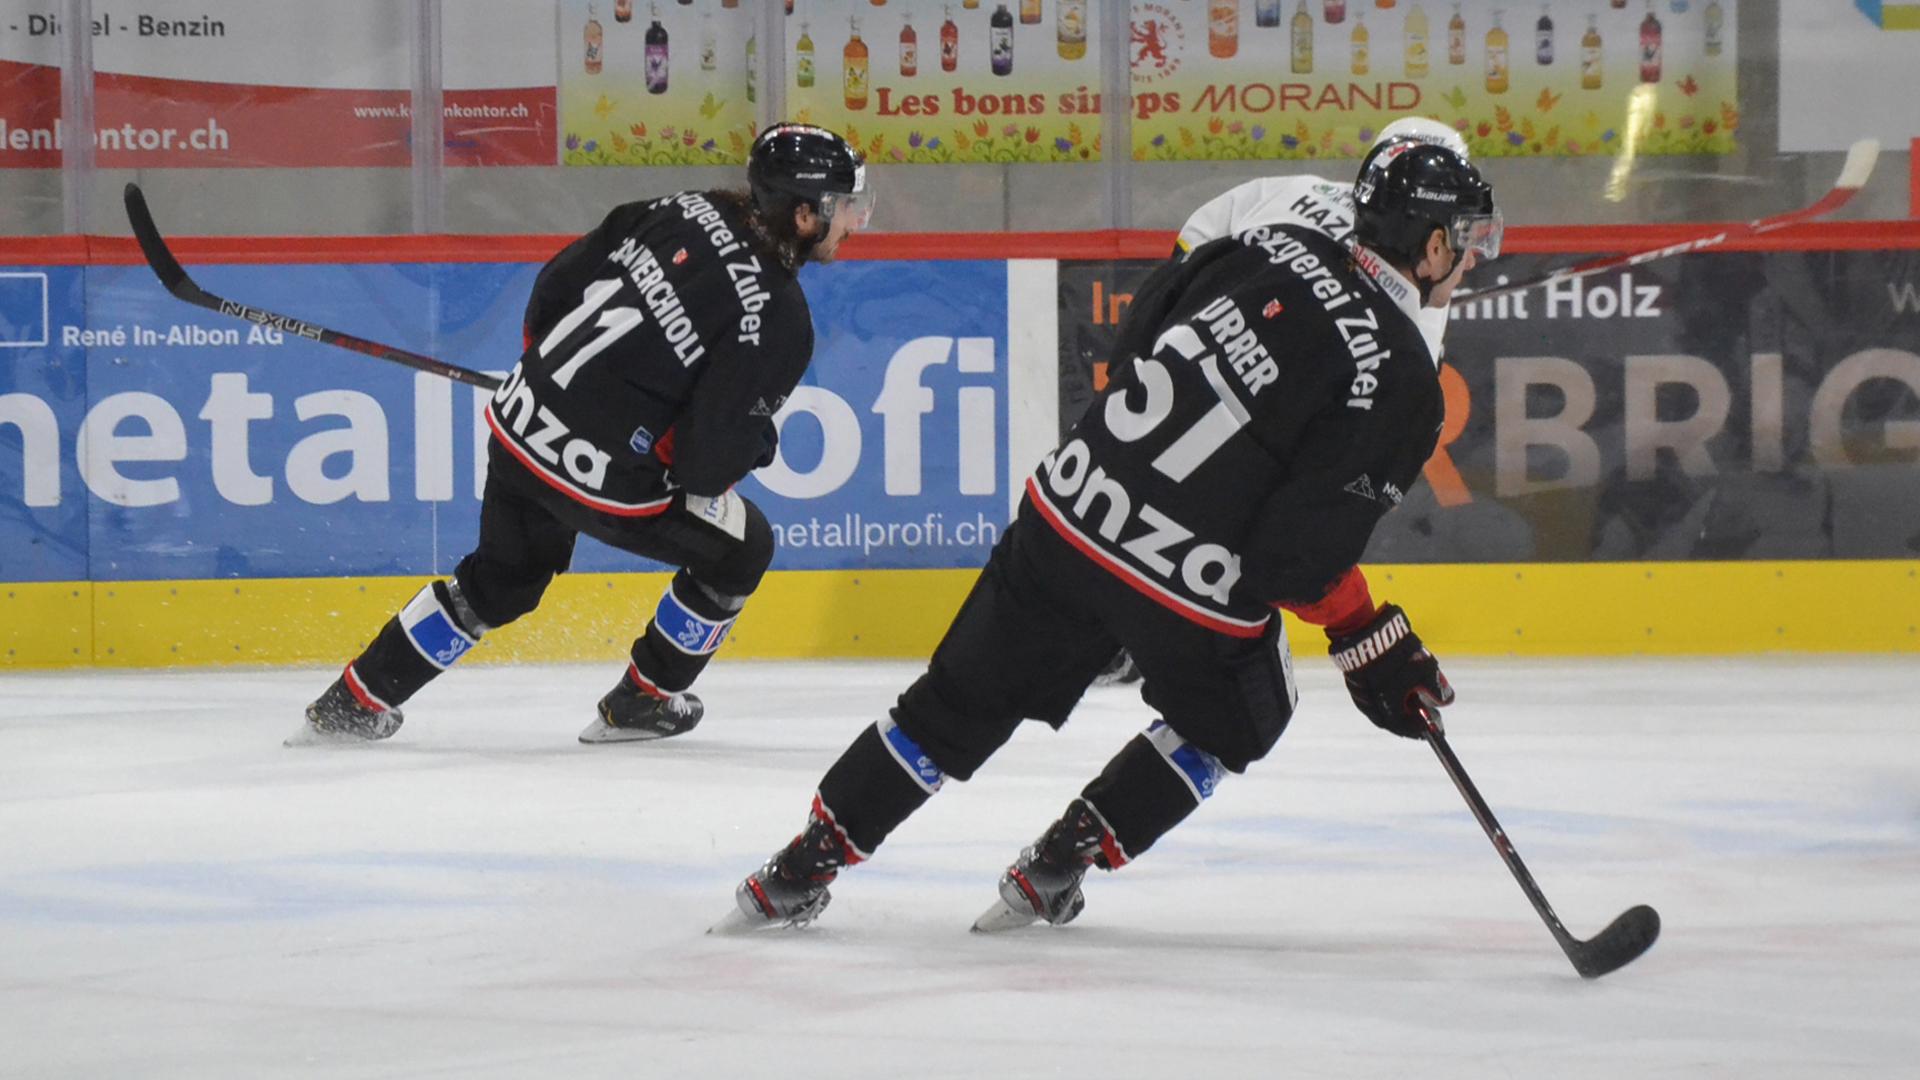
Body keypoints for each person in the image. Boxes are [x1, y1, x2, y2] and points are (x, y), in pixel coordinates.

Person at [718, 141, 1501, 933]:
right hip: (1180, 585)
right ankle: (1067, 855)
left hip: (1066, 515)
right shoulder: (1404, 378)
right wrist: (1371, 640)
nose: (1472, 258)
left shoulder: (1273, 243)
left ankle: (802, 862)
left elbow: (1140, 333)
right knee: (1246, 717)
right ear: (1434, 244)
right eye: (1467, 239)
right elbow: (1291, 562)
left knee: (950, 706)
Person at [292, 123, 874, 747]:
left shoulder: (683, 207)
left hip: (518, 425)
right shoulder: (779, 317)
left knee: (501, 581)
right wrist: (758, 443)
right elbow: (705, 468)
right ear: (805, 214)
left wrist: (541, 379)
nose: (856, 224)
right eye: (846, 209)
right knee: (743, 548)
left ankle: (355, 700)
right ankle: (644, 700)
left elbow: (558, 283)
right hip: (602, 478)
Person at [1094, 115, 1471, 688]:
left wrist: (1162, 352)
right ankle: (1167, 652)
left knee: (1130, 502)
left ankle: (1111, 630)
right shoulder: (1424, 304)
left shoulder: (1294, 189)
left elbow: (1193, 245)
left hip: (1180, 381)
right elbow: (1387, 417)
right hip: (1255, 428)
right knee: (1230, 554)